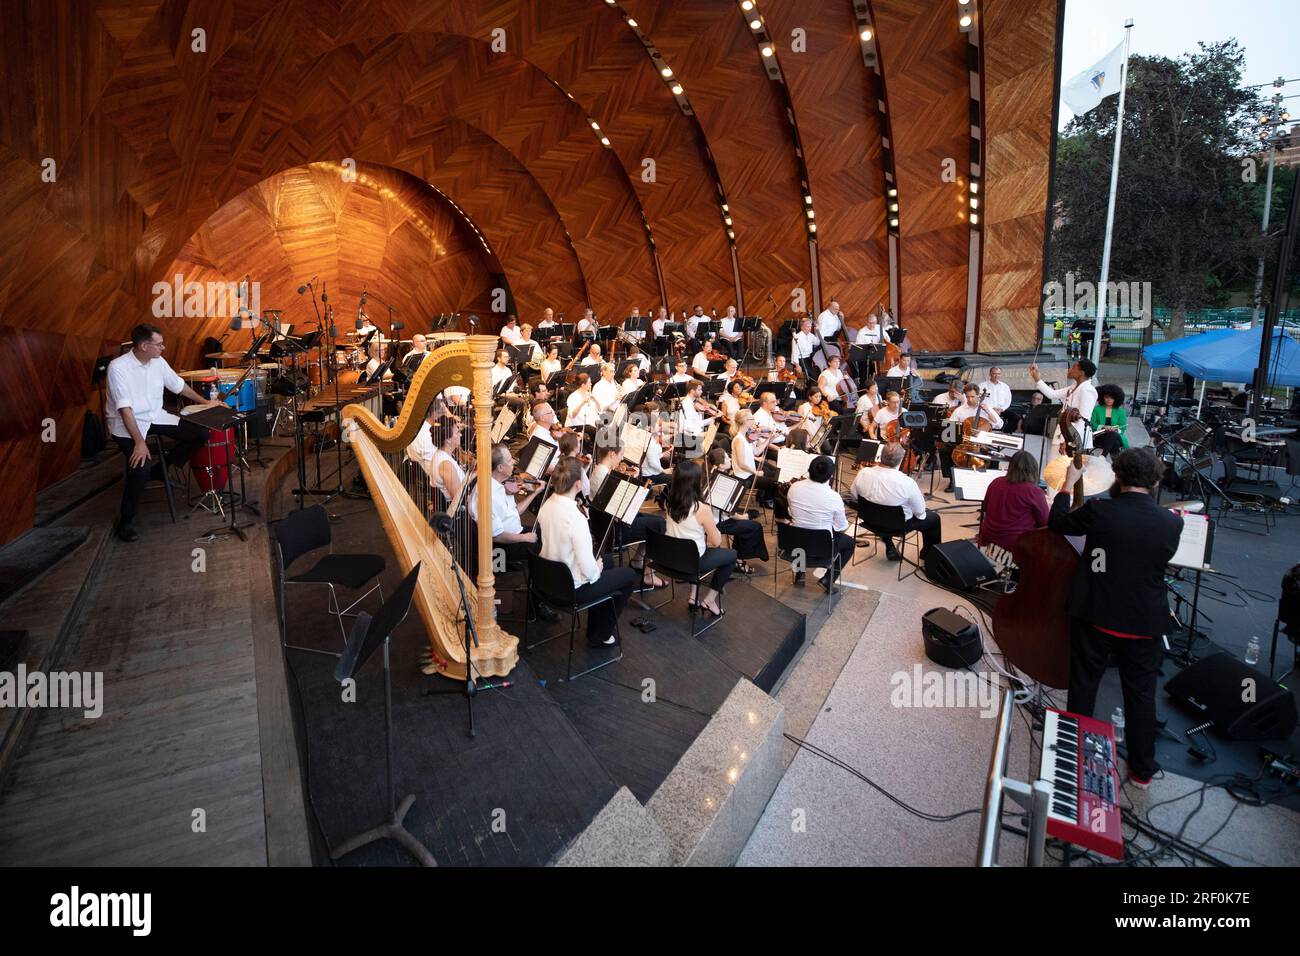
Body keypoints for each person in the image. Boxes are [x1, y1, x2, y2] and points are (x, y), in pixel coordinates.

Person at [1048, 446, 1182, 789]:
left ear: (1117, 476)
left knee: (1084, 686)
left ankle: (1074, 756)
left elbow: (1058, 523)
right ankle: (1141, 770)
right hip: (1144, 620)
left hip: (1096, 613)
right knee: (1140, 695)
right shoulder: (1172, 522)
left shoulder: (1100, 510)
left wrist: (1067, 485)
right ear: (1154, 481)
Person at [106, 323, 220, 541]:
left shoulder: (158, 361)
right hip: (126, 425)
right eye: (159, 344)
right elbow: (125, 410)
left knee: (200, 434)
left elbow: (179, 386)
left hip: (155, 415)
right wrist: (139, 442)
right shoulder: (118, 367)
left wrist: (207, 403)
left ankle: (162, 469)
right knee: (139, 467)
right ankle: (126, 520)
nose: (163, 348)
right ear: (143, 346)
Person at [536, 457, 637, 646]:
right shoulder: (576, 518)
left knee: (609, 562)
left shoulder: (547, 504)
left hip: (548, 579)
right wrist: (596, 567)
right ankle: (600, 634)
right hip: (571, 589)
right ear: (577, 484)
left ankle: (596, 627)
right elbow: (589, 571)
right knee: (628, 576)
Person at [664, 460, 736, 617]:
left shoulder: (668, 502)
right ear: (697, 482)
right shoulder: (701, 509)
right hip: (691, 562)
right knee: (731, 556)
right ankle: (710, 600)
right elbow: (716, 542)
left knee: (694, 544)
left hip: (670, 558)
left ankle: (693, 596)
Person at [851, 441, 941, 561]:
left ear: (880, 456)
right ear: (900, 461)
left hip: (869, 520)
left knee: (883, 511)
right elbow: (920, 512)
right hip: (898, 526)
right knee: (934, 519)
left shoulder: (863, 473)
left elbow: (854, 495)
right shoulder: (907, 482)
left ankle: (889, 544)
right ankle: (929, 556)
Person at [787, 455, 854, 591]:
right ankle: (828, 580)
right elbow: (842, 527)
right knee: (850, 543)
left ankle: (800, 574)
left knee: (802, 532)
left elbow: (790, 511)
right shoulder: (834, 497)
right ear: (830, 476)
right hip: (822, 548)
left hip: (794, 543)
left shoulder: (794, 487)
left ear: (809, 470)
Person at [705, 446, 768, 573]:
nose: (730, 459)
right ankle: (738, 559)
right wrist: (743, 517)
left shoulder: (710, 474)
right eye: (727, 458)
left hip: (714, 517)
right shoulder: (720, 482)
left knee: (745, 524)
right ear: (721, 465)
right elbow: (728, 511)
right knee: (754, 526)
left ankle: (737, 556)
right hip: (717, 522)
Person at [977, 450, 1049, 553]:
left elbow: (985, 507)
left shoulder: (996, 482)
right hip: (1015, 543)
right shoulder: (1034, 491)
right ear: (1033, 470)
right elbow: (1045, 522)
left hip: (988, 537)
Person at [1029, 358, 1098, 450]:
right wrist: (1037, 378)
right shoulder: (1073, 387)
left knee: (1066, 464)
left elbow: (1083, 419)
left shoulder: (1087, 390)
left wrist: (1070, 441)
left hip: (1073, 439)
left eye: (1073, 368)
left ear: (1082, 372)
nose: (1069, 370)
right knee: (1053, 463)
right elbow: (1052, 394)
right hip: (1062, 432)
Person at [731, 410, 778, 509]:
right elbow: (741, 463)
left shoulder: (745, 437)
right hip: (744, 477)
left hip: (750, 473)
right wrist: (755, 472)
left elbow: (757, 452)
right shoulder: (739, 439)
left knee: (776, 475)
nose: (754, 420)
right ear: (745, 421)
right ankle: (766, 500)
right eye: (752, 418)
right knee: (774, 482)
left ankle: (764, 498)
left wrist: (769, 439)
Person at [1090, 383, 1129, 458]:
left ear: (1116, 398)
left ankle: (1103, 456)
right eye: (1106, 397)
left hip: (1115, 435)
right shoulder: (1097, 409)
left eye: (1112, 398)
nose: (1109, 400)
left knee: (1113, 434)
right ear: (1102, 397)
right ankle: (1117, 465)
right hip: (1100, 436)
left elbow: (1122, 428)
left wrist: (1114, 429)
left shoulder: (1120, 412)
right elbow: (1092, 423)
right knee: (1116, 443)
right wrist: (1103, 427)